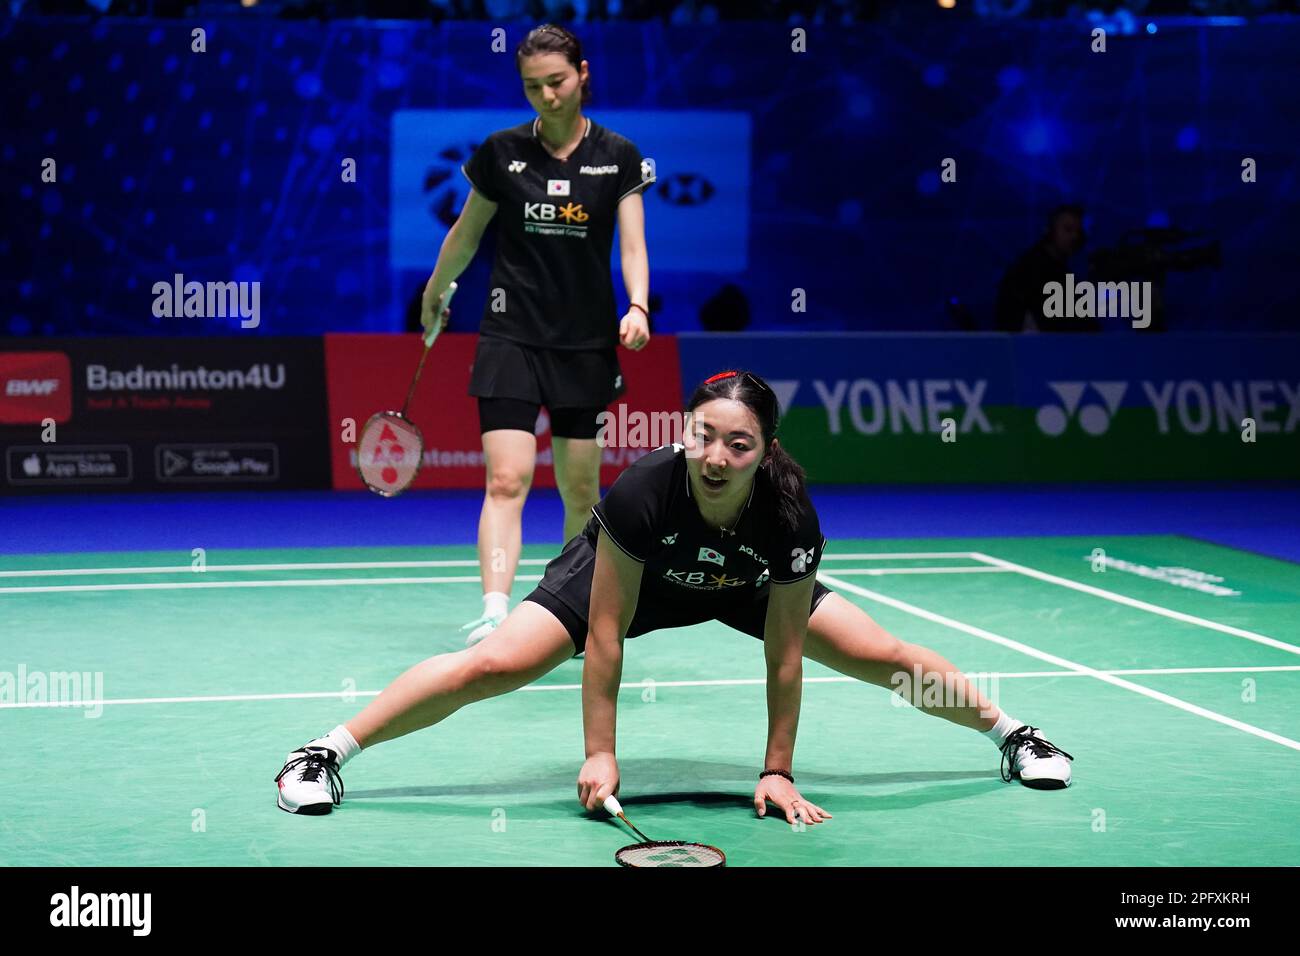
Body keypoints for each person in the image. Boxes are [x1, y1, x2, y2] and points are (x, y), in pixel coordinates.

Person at [275, 371, 1074, 823]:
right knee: (494, 665)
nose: (717, 455)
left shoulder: (788, 512)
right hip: (638, 570)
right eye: (704, 435)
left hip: (739, 577)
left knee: (884, 656)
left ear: (766, 451)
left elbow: (786, 652)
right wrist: (599, 752)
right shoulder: (642, 492)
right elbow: (610, 634)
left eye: (739, 443)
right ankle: (323, 753)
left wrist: (778, 770)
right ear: (684, 431)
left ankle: (1015, 737)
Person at [419, 24, 655, 645]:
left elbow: (633, 243)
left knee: (579, 489)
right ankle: (497, 612)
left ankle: (573, 608)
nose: (546, 96)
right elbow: (466, 235)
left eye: (556, 81)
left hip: (584, 342)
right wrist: (435, 290)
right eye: (532, 86)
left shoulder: (619, 154)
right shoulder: (500, 153)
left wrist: (638, 305)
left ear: (583, 74)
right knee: (506, 479)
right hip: (510, 335)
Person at [995, 203, 1097, 332]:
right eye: (1068, 229)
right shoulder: (1029, 270)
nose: (1074, 237)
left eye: (1078, 231)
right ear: (1050, 229)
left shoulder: (1060, 270)